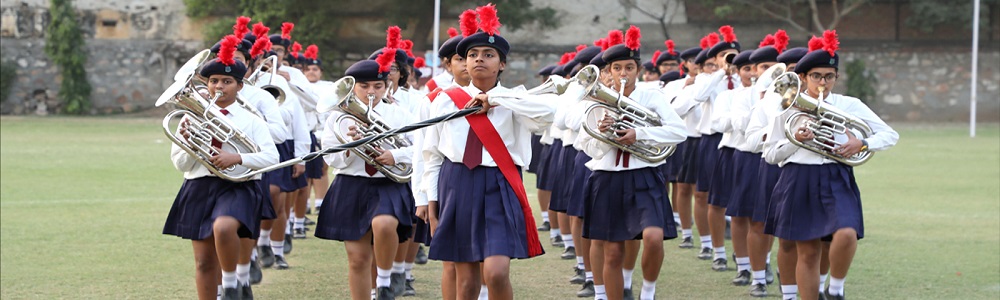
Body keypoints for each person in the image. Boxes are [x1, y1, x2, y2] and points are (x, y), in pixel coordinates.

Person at [421, 5, 554, 299]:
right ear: (464, 64)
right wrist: (431, 202)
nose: (479, 59)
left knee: (495, 272)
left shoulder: (516, 98)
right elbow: (431, 155)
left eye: (488, 54)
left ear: (502, 64)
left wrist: (495, 98)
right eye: (472, 55)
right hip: (457, 182)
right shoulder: (444, 100)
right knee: (465, 281)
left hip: (499, 184)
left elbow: (548, 114)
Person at [765, 30, 898, 300]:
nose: (823, 82)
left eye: (829, 76)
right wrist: (796, 141)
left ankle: (835, 289)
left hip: (837, 176)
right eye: (816, 76)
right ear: (803, 77)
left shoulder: (850, 105)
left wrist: (861, 143)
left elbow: (889, 134)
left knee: (847, 234)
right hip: (798, 177)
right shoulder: (785, 107)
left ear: (836, 77)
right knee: (809, 252)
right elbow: (770, 154)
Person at [162, 34, 279, 300]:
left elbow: (272, 157)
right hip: (199, 186)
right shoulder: (189, 119)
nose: (219, 87)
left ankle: (231, 286)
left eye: (227, 82)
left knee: (224, 227)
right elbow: (180, 164)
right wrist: (191, 144)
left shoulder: (252, 120)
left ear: (240, 85)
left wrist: (238, 158)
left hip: (237, 186)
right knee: (204, 262)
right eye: (214, 81)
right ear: (206, 83)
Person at [577, 25, 687, 300]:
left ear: (637, 70)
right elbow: (588, 147)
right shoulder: (596, 102)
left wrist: (640, 133)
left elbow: (679, 131)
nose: (623, 74)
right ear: (608, 72)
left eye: (629, 67)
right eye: (617, 68)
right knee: (612, 251)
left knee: (652, 236)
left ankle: (648, 291)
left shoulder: (652, 98)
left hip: (644, 175)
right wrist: (604, 134)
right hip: (608, 178)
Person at [314, 39, 418, 300]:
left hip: (388, 184)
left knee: (385, 225)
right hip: (352, 184)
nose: (371, 91)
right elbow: (331, 157)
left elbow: (421, 149)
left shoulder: (400, 114)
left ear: (387, 86)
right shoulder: (338, 117)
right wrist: (349, 145)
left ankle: (384, 282)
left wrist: (394, 154)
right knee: (358, 260)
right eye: (364, 86)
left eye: (378, 86)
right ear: (353, 87)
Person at [413, 18, 474, 299]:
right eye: (460, 58)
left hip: (487, 183)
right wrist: (423, 198)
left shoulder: (501, 97)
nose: (468, 64)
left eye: (474, 56)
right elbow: (424, 151)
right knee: (452, 260)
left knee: (487, 259)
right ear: (448, 65)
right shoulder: (435, 99)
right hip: (449, 185)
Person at [729, 29, 789, 297]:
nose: (771, 72)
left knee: (784, 222)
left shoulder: (792, 93)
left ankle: (780, 268)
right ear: (754, 69)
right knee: (754, 220)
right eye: (765, 67)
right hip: (750, 158)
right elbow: (740, 126)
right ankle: (756, 274)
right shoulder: (743, 95)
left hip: (783, 159)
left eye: (777, 66)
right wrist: (762, 105)